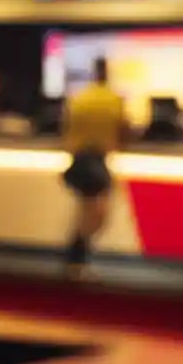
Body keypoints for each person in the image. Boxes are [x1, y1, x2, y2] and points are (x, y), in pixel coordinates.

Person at [60, 56, 126, 279]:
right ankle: (77, 259)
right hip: (95, 160)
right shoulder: (113, 99)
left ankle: (76, 260)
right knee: (96, 213)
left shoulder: (80, 98)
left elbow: (66, 128)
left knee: (87, 212)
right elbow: (124, 129)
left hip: (78, 159)